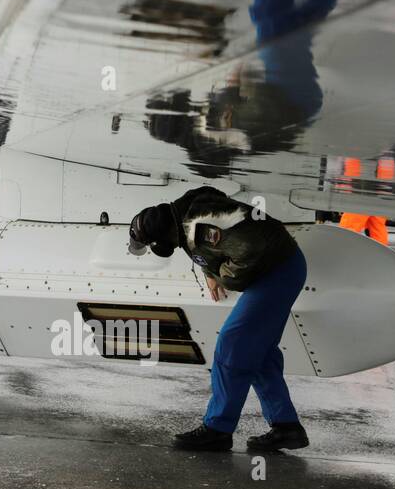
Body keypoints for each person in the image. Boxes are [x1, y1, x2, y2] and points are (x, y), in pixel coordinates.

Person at [128, 186, 308, 453]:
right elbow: (219, 225)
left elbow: (248, 246)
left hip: (276, 273)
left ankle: (218, 430)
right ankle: (286, 427)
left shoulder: (198, 228)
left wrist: (225, 274)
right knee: (258, 353)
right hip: (283, 266)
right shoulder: (186, 210)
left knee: (232, 344)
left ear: (162, 240)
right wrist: (209, 271)